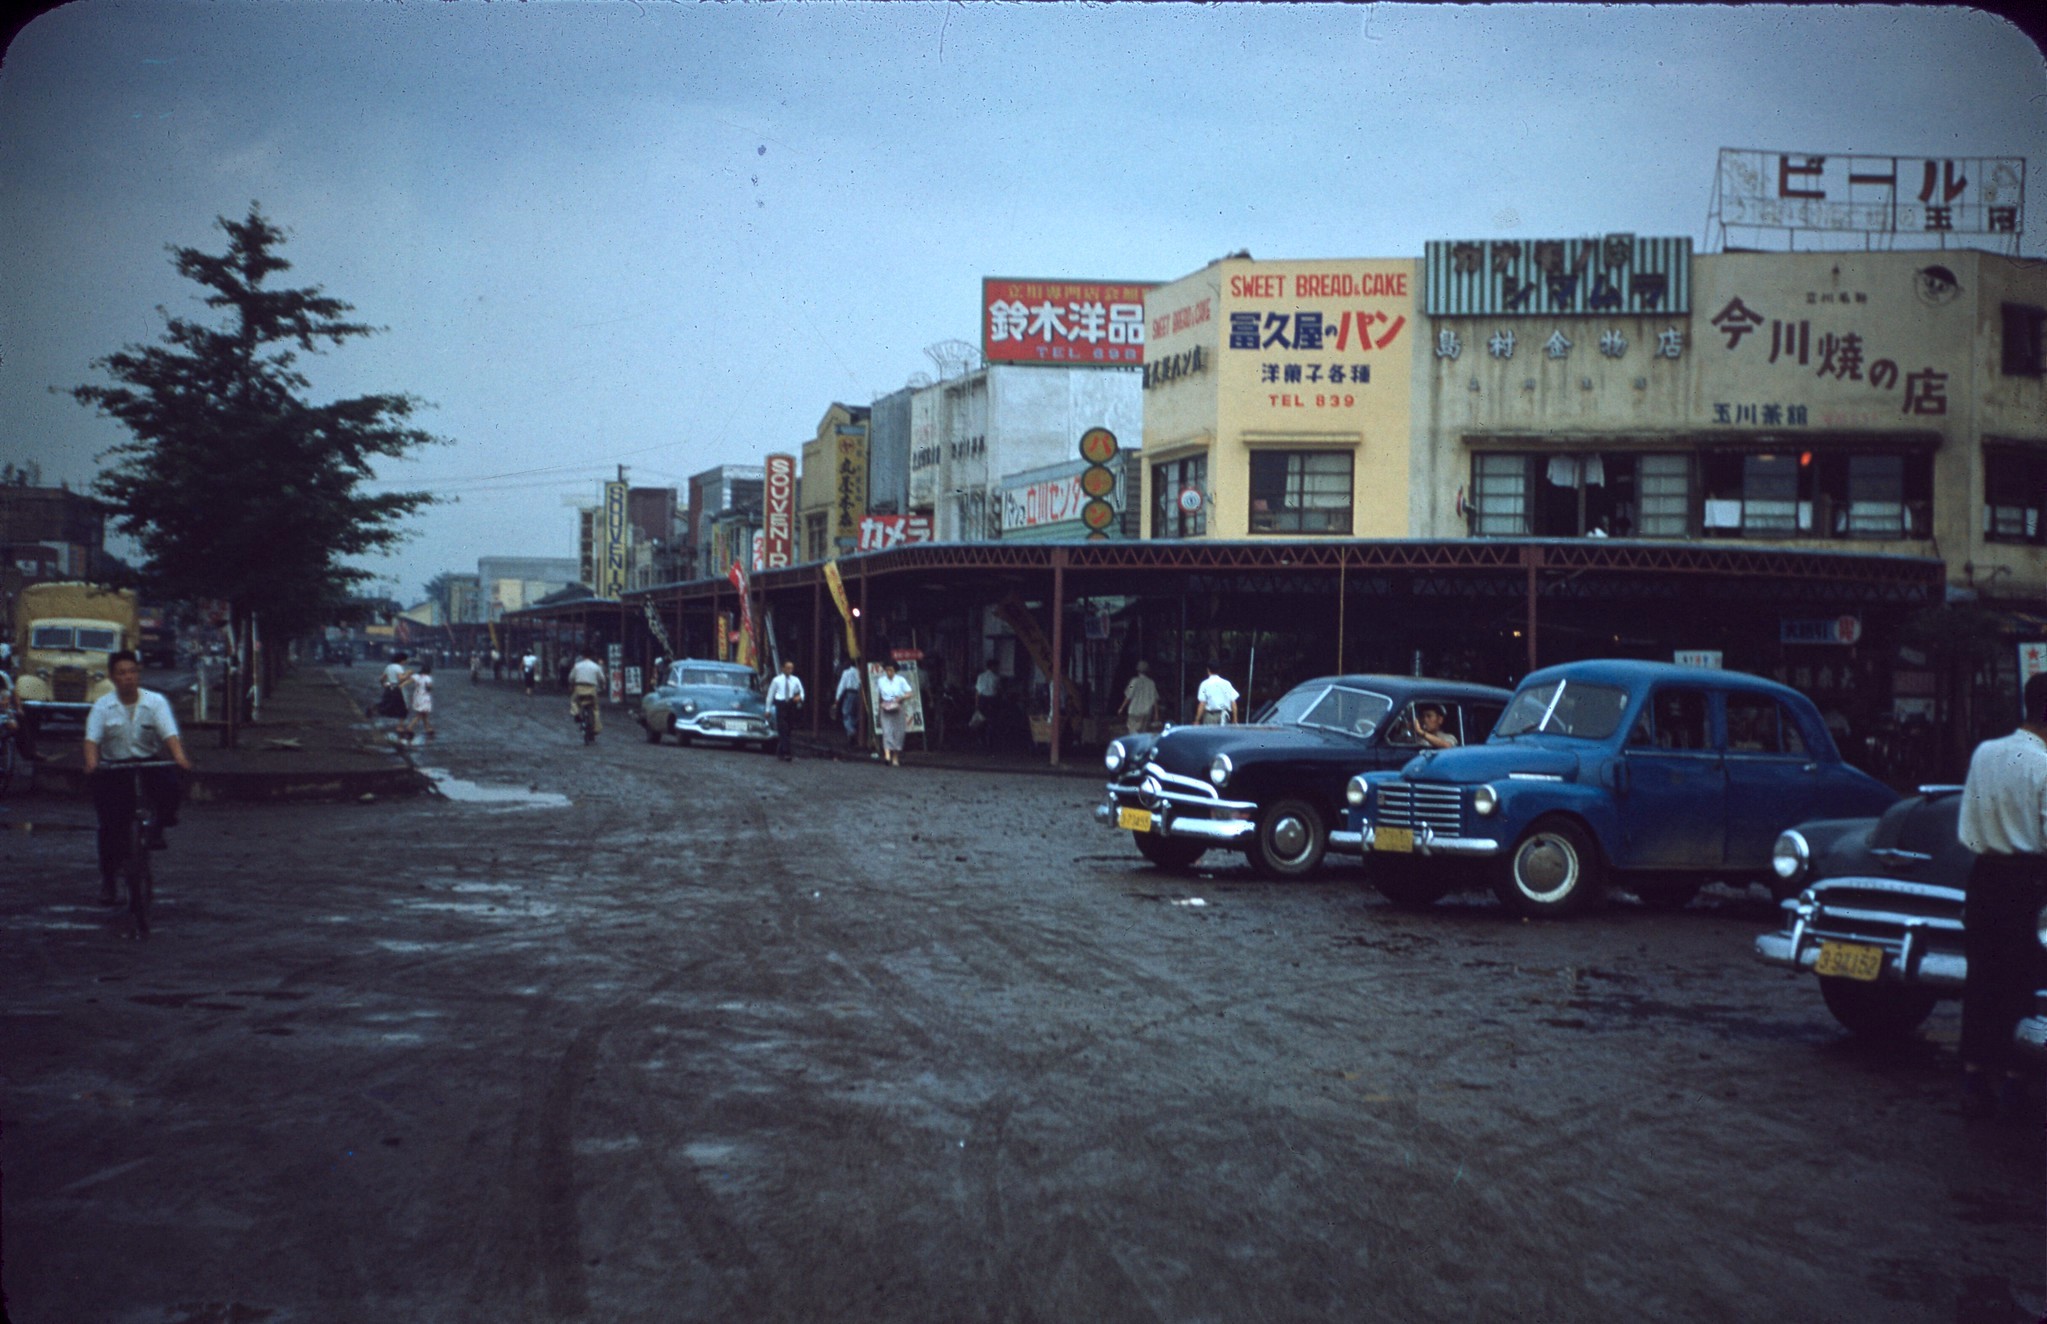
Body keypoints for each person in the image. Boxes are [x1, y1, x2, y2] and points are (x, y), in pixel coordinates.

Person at [1955, 670, 2047, 1120]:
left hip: (1983, 874)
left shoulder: (1985, 753)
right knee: (2021, 980)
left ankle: (1973, 1075)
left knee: (1982, 978)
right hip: (2028, 880)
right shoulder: (2044, 763)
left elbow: (1968, 821)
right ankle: (2014, 1081)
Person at [83, 651, 193, 905]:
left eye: (132, 672)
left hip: (149, 763)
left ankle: (157, 829)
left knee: (171, 787)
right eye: (121, 673)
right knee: (109, 828)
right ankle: (108, 882)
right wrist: (92, 763)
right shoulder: (102, 706)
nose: (128, 677)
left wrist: (179, 757)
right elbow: (91, 740)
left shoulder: (156, 702)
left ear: (138, 674)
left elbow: (169, 734)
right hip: (115, 767)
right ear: (112, 677)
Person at [875, 660, 913, 767]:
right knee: (887, 731)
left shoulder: (901, 680)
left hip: (898, 707)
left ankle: (895, 756)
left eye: (891, 670)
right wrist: (880, 707)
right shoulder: (881, 681)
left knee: (898, 732)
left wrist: (900, 698)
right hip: (885, 707)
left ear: (895, 670)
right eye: (887, 670)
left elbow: (909, 693)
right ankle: (887, 754)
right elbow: (880, 695)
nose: (889, 672)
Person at [766, 660, 806, 762]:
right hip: (781, 704)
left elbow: (801, 692)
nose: (789, 670)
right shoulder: (776, 680)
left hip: (791, 704)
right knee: (783, 727)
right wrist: (768, 709)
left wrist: (800, 697)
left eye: (791, 668)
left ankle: (781, 750)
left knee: (789, 728)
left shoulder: (795, 680)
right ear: (782, 668)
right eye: (787, 668)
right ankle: (787, 752)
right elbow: (770, 695)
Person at [566, 649, 606, 736]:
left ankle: (576, 713)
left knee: (574, 701)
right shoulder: (596, 666)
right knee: (595, 708)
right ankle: (596, 728)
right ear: (591, 656)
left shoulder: (577, 666)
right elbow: (602, 679)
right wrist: (603, 686)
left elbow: (571, 678)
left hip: (579, 688)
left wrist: (571, 685)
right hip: (592, 689)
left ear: (582, 656)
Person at [396, 656, 435, 742]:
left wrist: (400, 686)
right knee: (420, 715)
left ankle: (428, 729)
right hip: (425, 697)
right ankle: (410, 727)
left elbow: (408, 681)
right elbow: (429, 688)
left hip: (417, 696)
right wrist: (430, 687)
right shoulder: (427, 678)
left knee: (424, 714)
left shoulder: (417, 676)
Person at [1118, 661, 1159, 734]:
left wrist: (1121, 708)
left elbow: (1128, 695)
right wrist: (1156, 713)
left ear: (1137, 670)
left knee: (1133, 733)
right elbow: (1154, 699)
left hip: (1134, 712)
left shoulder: (1133, 682)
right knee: (1143, 733)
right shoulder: (1151, 683)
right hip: (1146, 713)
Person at [835, 661, 864, 749]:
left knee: (846, 713)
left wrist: (837, 698)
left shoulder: (847, 672)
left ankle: (851, 731)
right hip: (859, 695)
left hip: (850, 693)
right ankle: (853, 730)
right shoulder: (861, 672)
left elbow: (842, 685)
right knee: (857, 714)